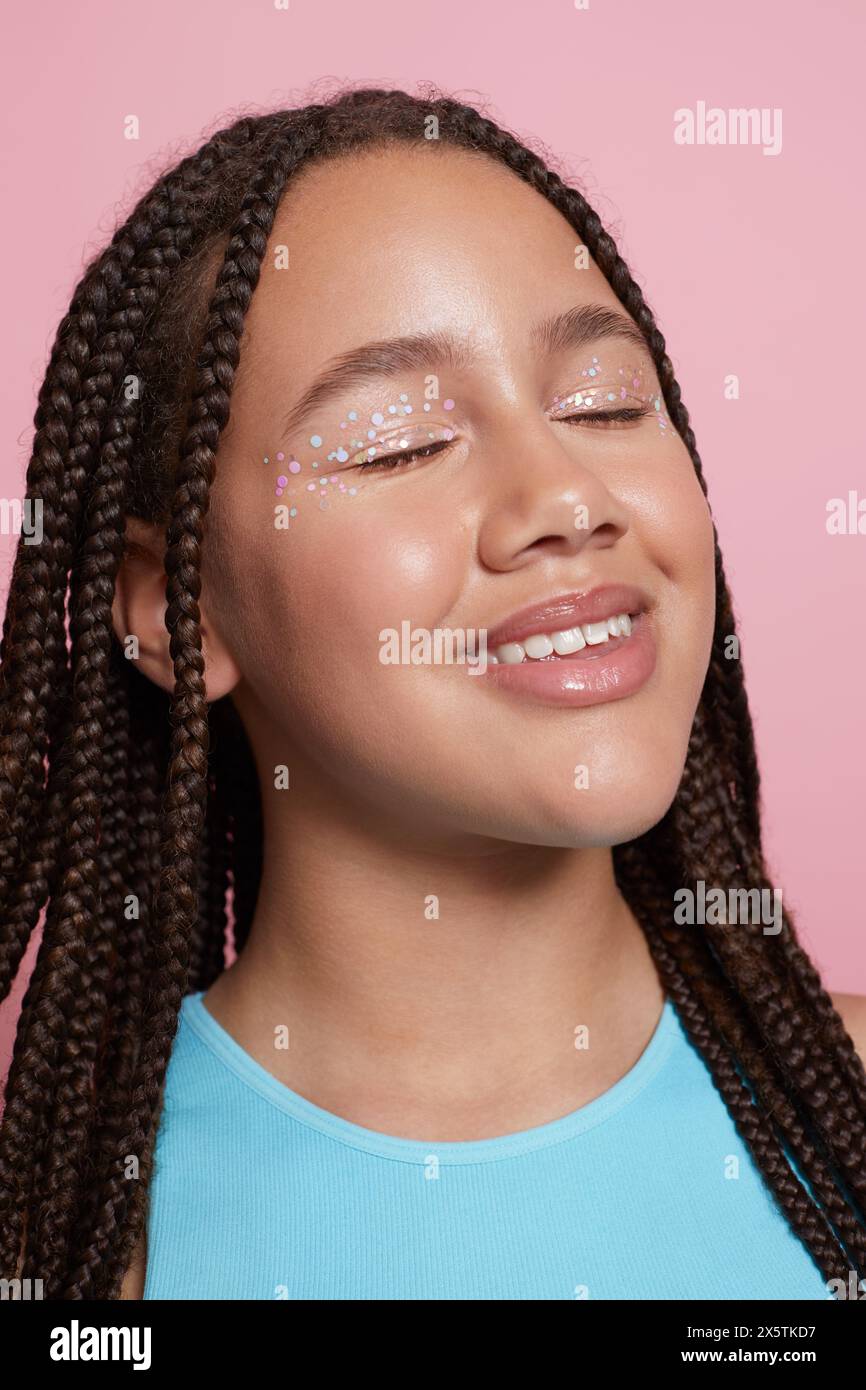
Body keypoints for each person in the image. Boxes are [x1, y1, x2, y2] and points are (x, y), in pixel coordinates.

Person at [1, 85, 864, 1302]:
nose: (567, 498)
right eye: (399, 441)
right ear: (170, 603)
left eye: (605, 403)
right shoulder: (71, 1254)